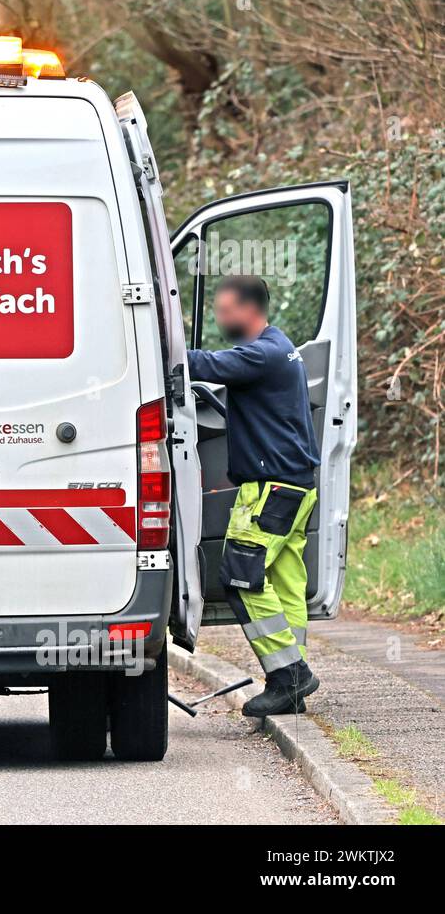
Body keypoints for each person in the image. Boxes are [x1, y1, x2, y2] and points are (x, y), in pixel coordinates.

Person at [187, 274, 322, 716]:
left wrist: (152, 351)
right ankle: (292, 678)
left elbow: (204, 364)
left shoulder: (261, 355)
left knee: (242, 579)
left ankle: (288, 676)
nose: (222, 318)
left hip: (272, 489)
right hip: (296, 486)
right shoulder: (280, 347)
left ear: (250, 310)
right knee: (286, 582)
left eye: (226, 311)